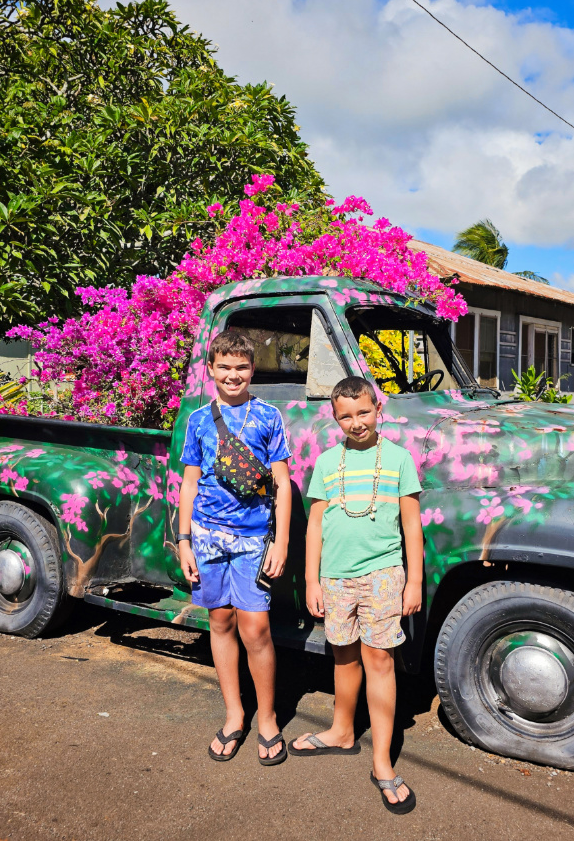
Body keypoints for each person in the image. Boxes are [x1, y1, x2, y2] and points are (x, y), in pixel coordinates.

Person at [289, 375, 423, 814]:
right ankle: (341, 731)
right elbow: (313, 526)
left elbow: (410, 526)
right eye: (345, 416)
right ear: (335, 419)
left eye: (363, 412)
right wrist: (311, 580)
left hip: (384, 574)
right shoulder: (328, 463)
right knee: (342, 652)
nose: (356, 422)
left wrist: (414, 581)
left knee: (380, 658)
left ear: (378, 408)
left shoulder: (400, 459)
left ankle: (382, 761)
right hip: (335, 577)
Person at [177, 329, 292, 766]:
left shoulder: (268, 416)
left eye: (241, 367)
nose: (233, 374)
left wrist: (280, 542)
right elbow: (189, 485)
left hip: (252, 541)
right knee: (220, 621)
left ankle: (268, 718)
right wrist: (184, 540)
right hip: (206, 538)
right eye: (224, 366)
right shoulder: (199, 420)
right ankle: (234, 715)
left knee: (256, 629)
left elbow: (282, 482)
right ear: (211, 369)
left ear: (252, 370)